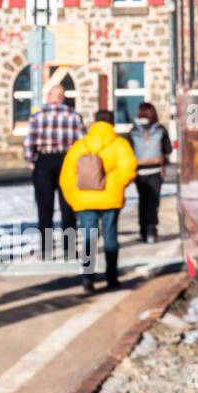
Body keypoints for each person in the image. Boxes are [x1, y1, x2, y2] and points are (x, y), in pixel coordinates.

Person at [60, 110, 137, 295]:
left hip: (84, 198)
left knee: (89, 239)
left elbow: (67, 175)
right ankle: (112, 278)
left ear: (94, 122)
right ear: (112, 123)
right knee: (110, 237)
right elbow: (129, 168)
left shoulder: (80, 145)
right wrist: (114, 184)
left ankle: (88, 280)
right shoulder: (119, 144)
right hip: (110, 198)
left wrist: (74, 197)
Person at [22, 83, 85, 255]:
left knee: (44, 206)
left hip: (44, 160)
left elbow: (29, 141)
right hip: (67, 160)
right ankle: (69, 247)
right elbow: (82, 142)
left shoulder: (38, 115)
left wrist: (31, 159)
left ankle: (46, 247)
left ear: (49, 97)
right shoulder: (73, 115)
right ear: (63, 97)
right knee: (68, 205)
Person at [125, 102, 171, 243]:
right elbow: (168, 149)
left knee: (142, 200)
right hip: (156, 170)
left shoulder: (133, 130)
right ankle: (151, 230)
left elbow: (129, 151)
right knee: (153, 201)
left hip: (139, 172)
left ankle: (143, 230)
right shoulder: (160, 129)